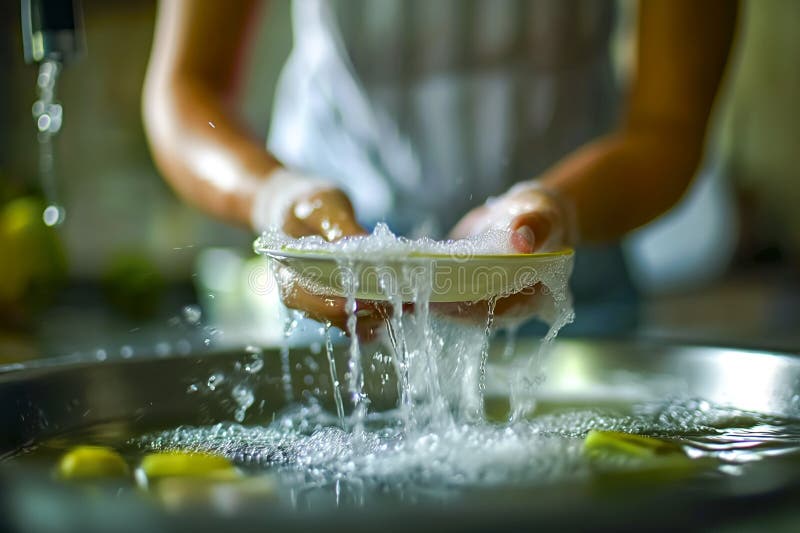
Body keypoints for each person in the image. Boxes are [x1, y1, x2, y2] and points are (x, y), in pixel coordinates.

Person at [142, 0, 737, 332]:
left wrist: (558, 208)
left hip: (567, 271)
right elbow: (186, 87)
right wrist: (275, 198)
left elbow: (668, 128)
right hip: (339, 282)